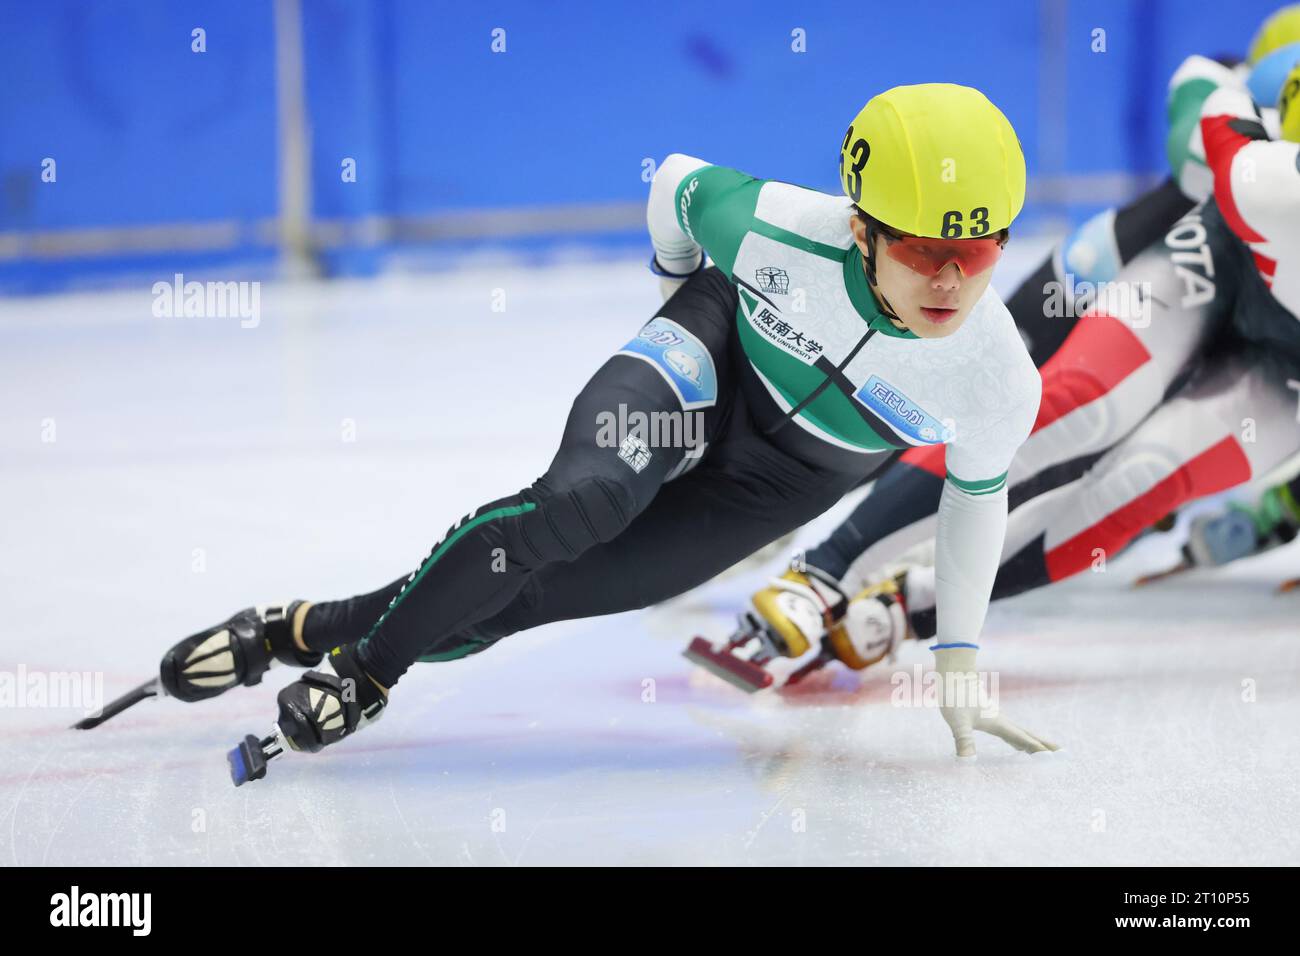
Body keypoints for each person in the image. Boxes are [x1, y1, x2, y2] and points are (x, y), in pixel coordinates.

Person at [159, 83, 1056, 767]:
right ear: (861, 229)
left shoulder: (994, 377)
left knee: (524, 600)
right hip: (708, 363)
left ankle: (296, 632)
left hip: (779, 483)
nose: (950, 281)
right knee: (579, 505)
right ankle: (365, 677)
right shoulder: (779, 228)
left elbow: (974, 501)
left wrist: (958, 656)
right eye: (922, 250)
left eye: (977, 253)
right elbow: (675, 184)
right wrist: (674, 310)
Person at [700, 53, 1300, 691]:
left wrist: (1276, 512)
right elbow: (1203, 90)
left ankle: (905, 609)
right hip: (1211, 268)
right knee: (1077, 406)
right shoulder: (1267, 180)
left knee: (1143, 482)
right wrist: (1238, 80)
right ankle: (823, 568)